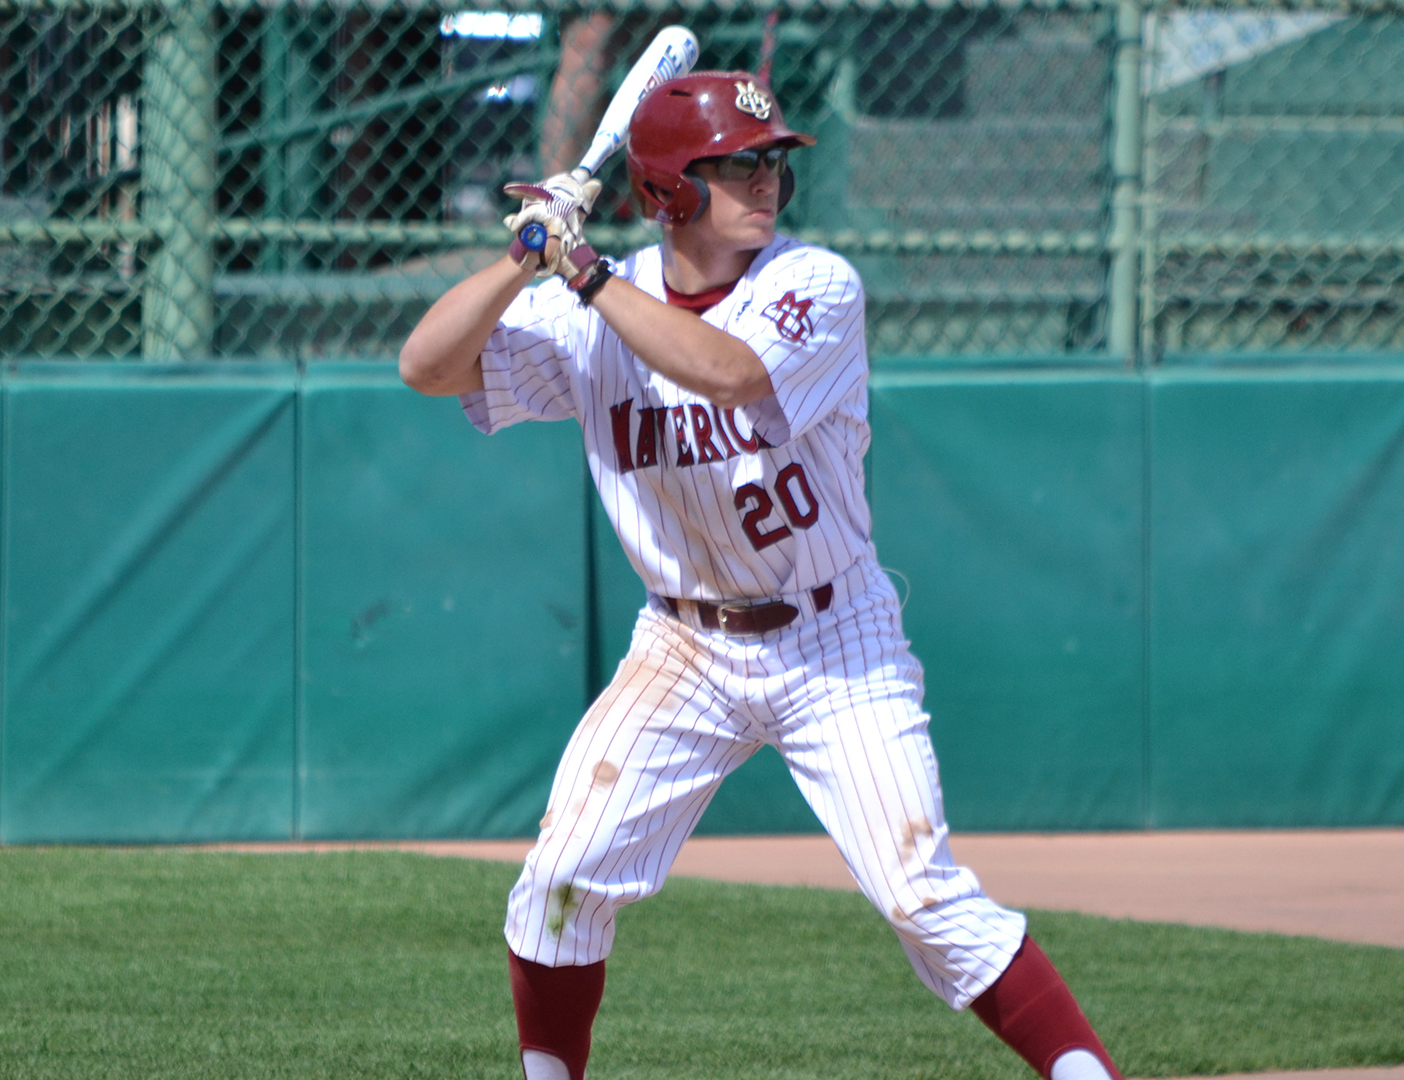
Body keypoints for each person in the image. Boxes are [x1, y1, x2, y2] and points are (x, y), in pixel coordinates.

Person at [399, 71, 1125, 1080]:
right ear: (668, 192)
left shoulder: (814, 284)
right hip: (685, 646)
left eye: (772, 157)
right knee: (561, 879)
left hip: (834, 639)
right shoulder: (588, 306)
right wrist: (523, 258)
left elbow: (730, 372)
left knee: (921, 896)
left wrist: (587, 274)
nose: (767, 177)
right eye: (738, 162)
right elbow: (425, 367)